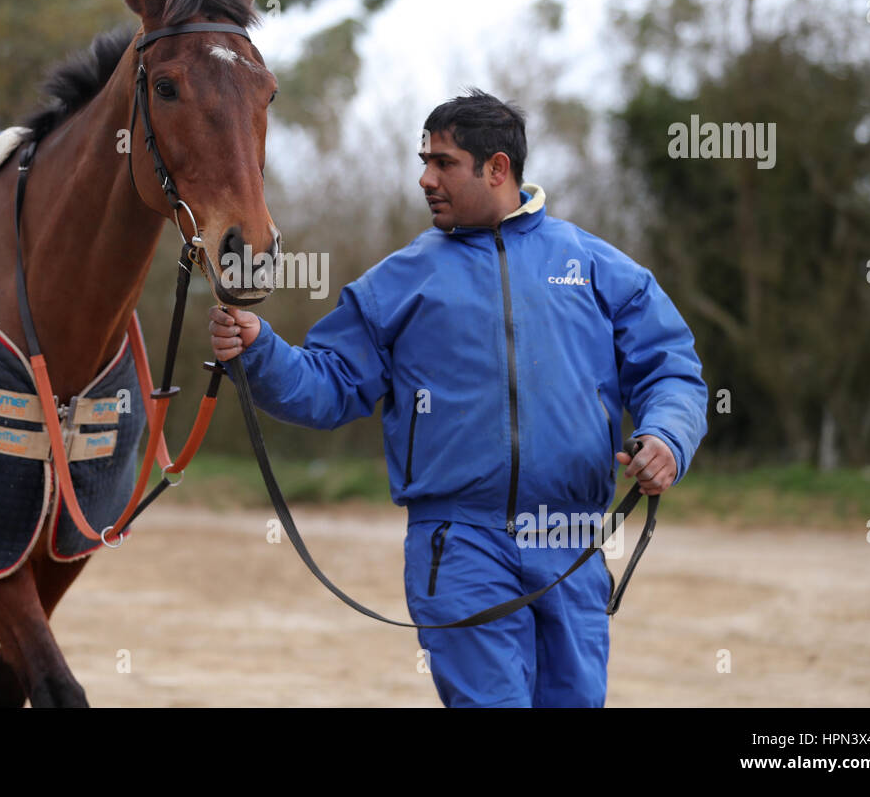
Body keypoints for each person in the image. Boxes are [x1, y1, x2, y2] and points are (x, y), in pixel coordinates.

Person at [207, 89, 708, 707]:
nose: (425, 178)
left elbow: (672, 371)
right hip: (459, 543)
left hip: (570, 536)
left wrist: (667, 437)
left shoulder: (597, 267)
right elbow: (329, 385)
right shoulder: (398, 282)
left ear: (497, 169)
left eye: (443, 163)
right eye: (424, 160)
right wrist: (260, 350)